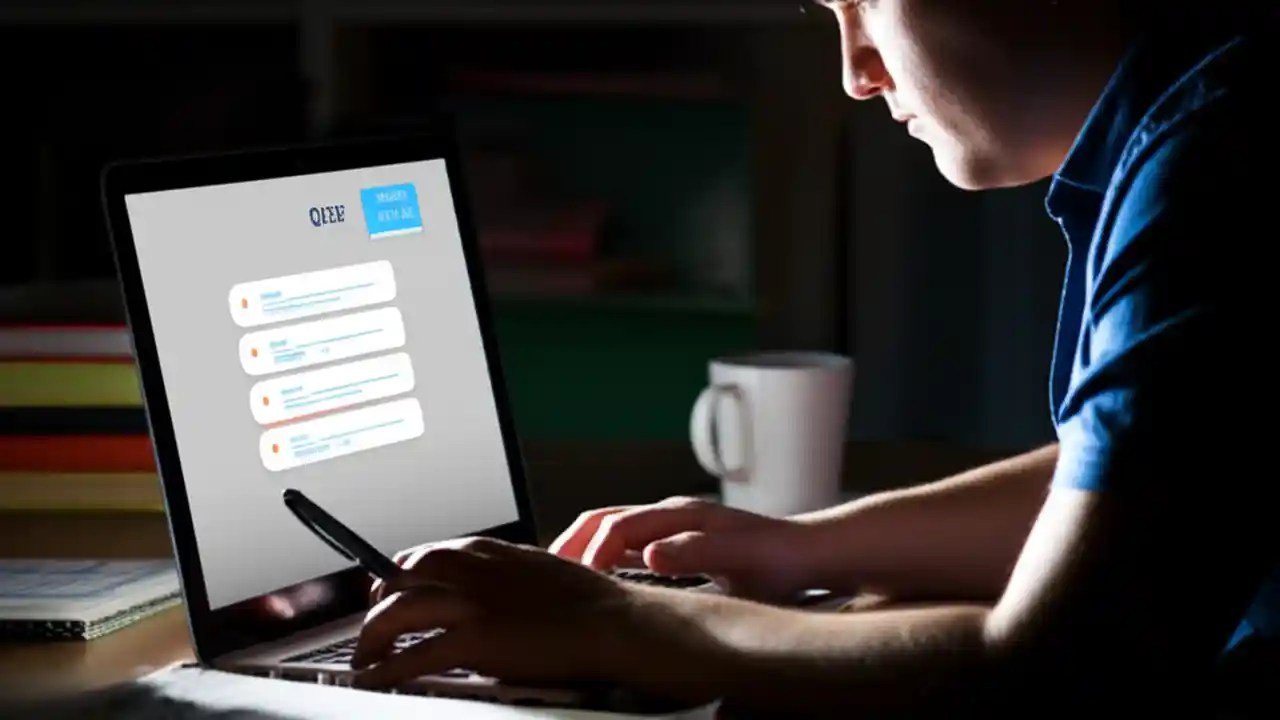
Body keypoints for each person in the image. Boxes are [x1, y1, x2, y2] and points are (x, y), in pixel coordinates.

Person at [351, 1, 1278, 716]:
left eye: (863, 5)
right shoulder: (1206, 109)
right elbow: (1156, 493)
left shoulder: (1215, 165)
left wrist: (613, 623)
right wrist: (801, 546)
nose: (855, 74)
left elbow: (1056, 669)